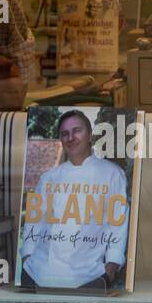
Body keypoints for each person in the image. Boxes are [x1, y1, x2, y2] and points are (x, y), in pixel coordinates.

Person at [19, 109, 128, 291]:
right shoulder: (49, 177)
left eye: (77, 131)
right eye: (65, 133)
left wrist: (111, 268)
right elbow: (34, 221)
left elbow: (117, 225)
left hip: (88, 278)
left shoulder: (112, 174)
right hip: (38, 273)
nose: (71, 137)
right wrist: (27, 257)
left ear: (90, 135)